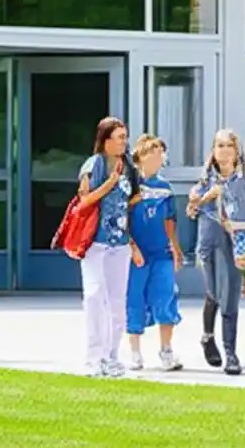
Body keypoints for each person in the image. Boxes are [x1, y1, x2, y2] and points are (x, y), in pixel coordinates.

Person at [188, 129, 245, 376]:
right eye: (220, 145)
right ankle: (208, 337)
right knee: (213, 293)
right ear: (213, 151)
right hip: (210, 242)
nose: (224, 150)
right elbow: (194, 204)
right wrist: (203, 198)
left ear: (236, 151)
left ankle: (231, 352)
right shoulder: (206, 178)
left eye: (229, 145)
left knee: (230, 298)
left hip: (235, 243)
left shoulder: (244, 181)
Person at [76, 117, 141, 378]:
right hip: (96, 241)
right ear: (105, 140)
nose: (124, 141)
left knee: (116, 301)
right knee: (94, 296)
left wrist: (132, 241)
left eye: (125, 136)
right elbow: (84, 201)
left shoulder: (129, 168)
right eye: (119, 137)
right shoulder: (95, 164)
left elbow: (133, 198)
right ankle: (94, 357)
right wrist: (108, 185)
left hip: (120, 242)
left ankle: (112, 355)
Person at [125, 135, 184, 372]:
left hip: (161, 253)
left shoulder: (165, 188)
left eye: (161, 152)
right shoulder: (129, 184)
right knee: (134, 299)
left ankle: (166, 350)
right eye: (153, 151)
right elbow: (120, 218)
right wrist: (131, 247)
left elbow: (170, 219)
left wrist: (175, 247)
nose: (158, 156)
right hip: (137, 254)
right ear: (140, 156)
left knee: (166, 296)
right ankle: (135, 352)